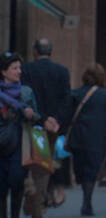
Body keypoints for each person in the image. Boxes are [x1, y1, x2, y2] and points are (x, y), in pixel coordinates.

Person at [22, 38, 72, 208]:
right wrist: (55, 119)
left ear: (35, 52)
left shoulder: (26, 70)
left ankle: (34, 193)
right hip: (54, 126)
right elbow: (67, 99)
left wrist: (42, 118)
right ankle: (39, 201)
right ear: (50, 52)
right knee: (45, 163)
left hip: (32, 122)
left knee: (33, 161)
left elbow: (25, 97)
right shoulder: (62, 71)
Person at [64, 65, 106, 216]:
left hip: (78, 138)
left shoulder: (76, 93)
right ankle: (87, 201)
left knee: (81, 169)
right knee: (91, 170)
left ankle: (86, 198)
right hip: (98, 139)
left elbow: (67, 114)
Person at [0, 51, 40, 218]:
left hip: (18, 144)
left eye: (19, 68)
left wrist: (32, 115)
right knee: (1, 186)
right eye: (14, 68)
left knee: (16, 182)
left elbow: (37, 116)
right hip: (1, 144)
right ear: (3, 72)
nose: (19, 72)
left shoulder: (26, 92)